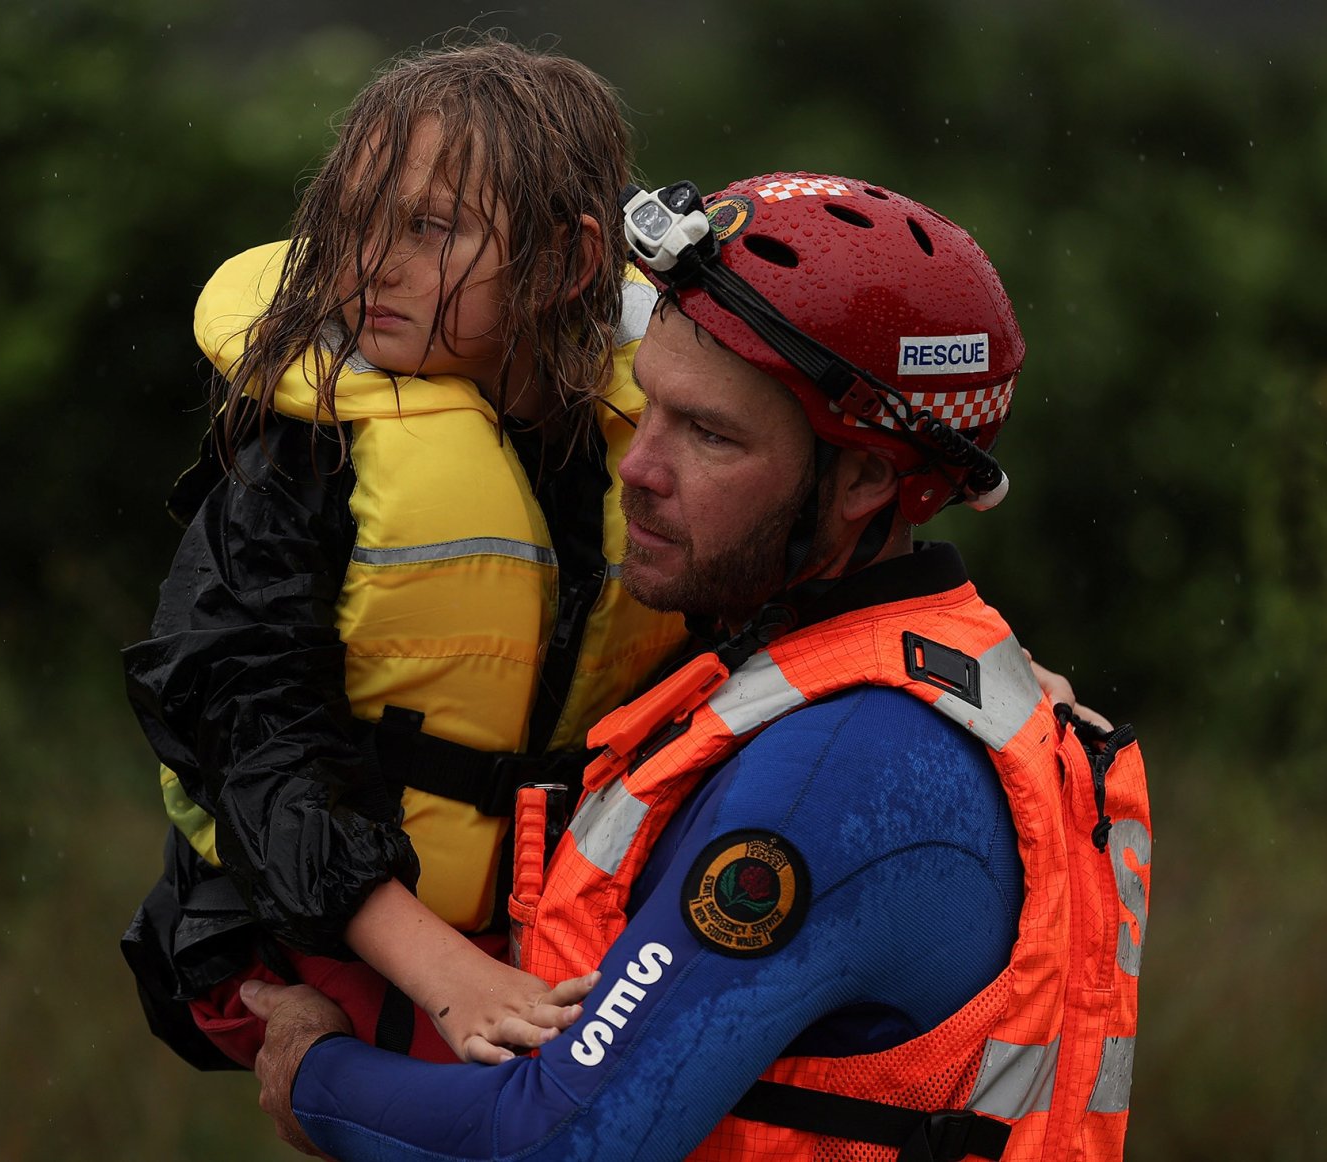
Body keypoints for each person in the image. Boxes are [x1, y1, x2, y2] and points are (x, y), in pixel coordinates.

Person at [241, 173, 1153, 1161]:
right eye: (647, 405)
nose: (638, 465)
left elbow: (554, 1145)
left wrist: (311, 1072)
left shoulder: (841, 767)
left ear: (860, 482)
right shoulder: (874, 663)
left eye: (710, 434)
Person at [119, 39, 690, 1072]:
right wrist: (443, 970)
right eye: (354, 218)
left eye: (428, 228)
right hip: (298, 929)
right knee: (527, 1105)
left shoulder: (653, 429)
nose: (368, 263)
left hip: (536, 920)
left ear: (566, 260)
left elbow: (796, 607)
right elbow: (244, 725)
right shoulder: (308, 444)